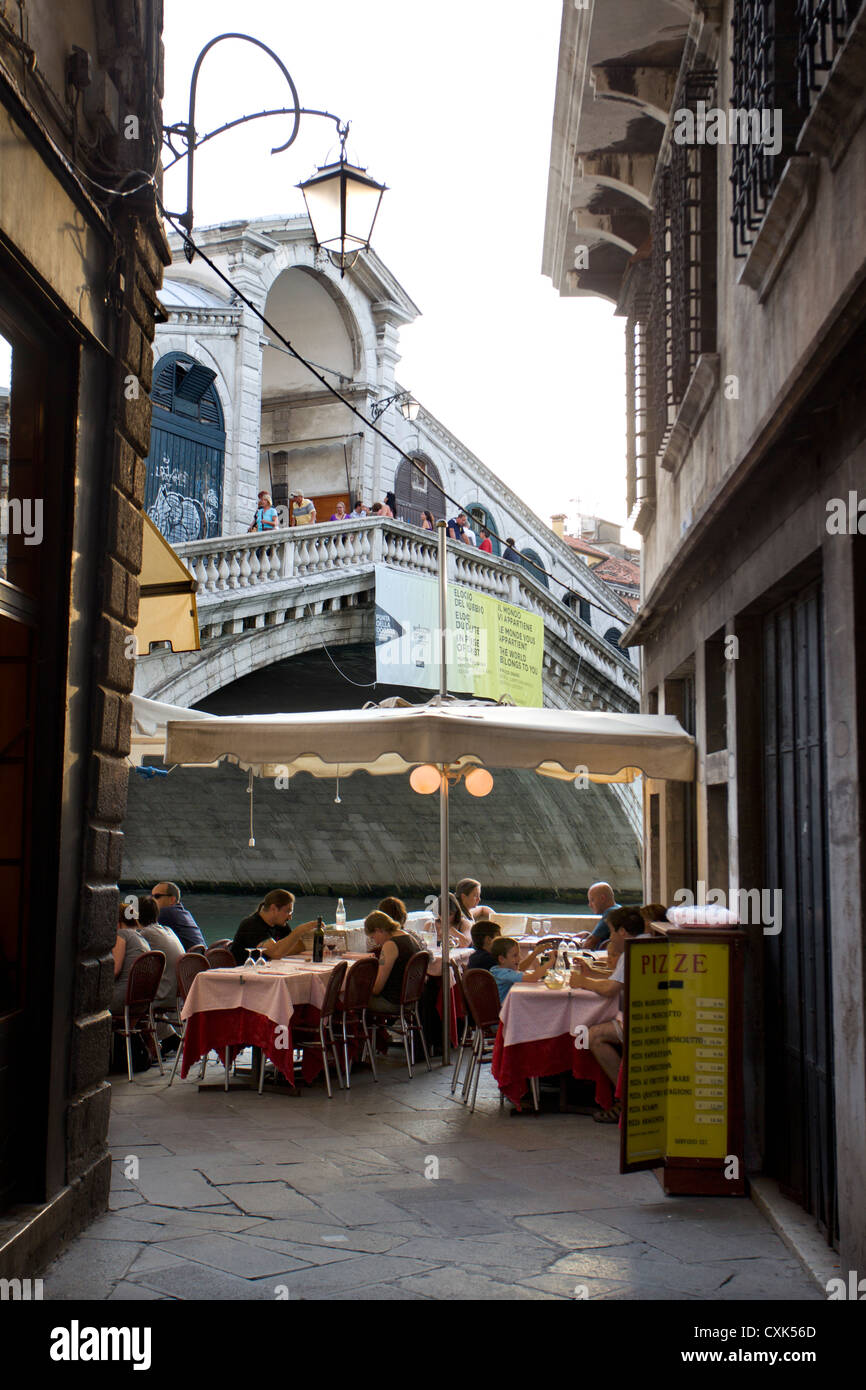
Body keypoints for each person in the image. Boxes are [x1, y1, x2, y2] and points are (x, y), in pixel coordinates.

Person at [568, 906, 646, 1122]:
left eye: (611, 931)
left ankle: (627, 1100)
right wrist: (591, 973)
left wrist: (583, 981)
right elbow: (617, 977)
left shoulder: (631, 950)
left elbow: (611, 988)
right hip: (647, 1015)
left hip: (638, 1021)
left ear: (622, 931)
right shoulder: (644, 943)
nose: (609, 936)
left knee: (593, 1036)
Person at [136, 895, 185, 1051]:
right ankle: (169, 1038)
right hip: (177, 993)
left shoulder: (144, 935)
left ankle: (140, 1048)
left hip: (164, 995)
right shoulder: (167, 930)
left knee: (131, 999)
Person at [229, 889, 319, 965]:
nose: (290, 917)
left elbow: (299, 946)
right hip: (243, 975)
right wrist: (299, 931)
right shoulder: (251, 925)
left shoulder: (280, 924)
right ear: (274, 909)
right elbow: (276, 953)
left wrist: (281, 948)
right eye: (288, 911)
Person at [364, 910, 418, 1012]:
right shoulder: (410, 938)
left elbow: (377, 989)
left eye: (373, 937)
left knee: (353, 1001)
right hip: (411, 999)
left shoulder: (390, 945)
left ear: (379, 930)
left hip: (393, 1001)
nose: (376, 942)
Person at [111, 901, 152, 1015]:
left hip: (121, 1000)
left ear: (117, 922)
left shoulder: (122, 935)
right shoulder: (142, 939)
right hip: (141, 1003)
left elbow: (114, 970)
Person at [489, 936, 550, 1005]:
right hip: (503, 1011)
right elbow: (533, 978)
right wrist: (550, 962)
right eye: (515, 955)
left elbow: (525, 973)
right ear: (502, 959)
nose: (519, 958)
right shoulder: (504, 974)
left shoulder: (497, 970)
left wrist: (535, 954)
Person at [151, 882, 205, 952]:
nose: (152, 900)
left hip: (189, 960)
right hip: (200, 958)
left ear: (172, 899)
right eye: (151, 897)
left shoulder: (167, 912)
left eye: (157, 896)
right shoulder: (184, 913)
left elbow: (140, 925)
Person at [576, 882, 622, 950]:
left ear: (602, 898)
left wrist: (575, 944)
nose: (590, 905)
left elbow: (590, 943)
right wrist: (587, 935)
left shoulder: (610, 913)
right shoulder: (618, 909)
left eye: (592, 900)